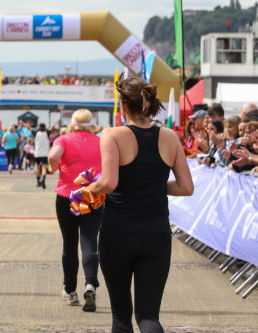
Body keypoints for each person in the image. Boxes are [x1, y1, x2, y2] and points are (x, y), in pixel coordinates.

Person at [87, 77, 193, 333]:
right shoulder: (169, 137)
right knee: (148, 315)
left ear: (123, 105)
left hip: (118, 233)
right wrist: (153, 186)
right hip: (156, 234)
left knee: (121, 316)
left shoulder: (112, 134)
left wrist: (89, 189)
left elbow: (110, 182)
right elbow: (186, 188)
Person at [47, 109, 102, 312]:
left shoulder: (64, 139)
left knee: (69, 243)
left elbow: (53, 155)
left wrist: (54, 167)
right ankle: (90, 284)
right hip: (92, 194)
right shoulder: (100, 141)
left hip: (67, 195)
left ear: (73, 123)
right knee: (89, 241)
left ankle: (70, 290)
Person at [34, 123, 51, 189]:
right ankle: (43, 179)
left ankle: (38, 181)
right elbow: (51, 128)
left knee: (38, 167)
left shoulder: (36, 133)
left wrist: (23, 123)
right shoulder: (47, 133)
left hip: (37, 153)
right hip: (45, 154)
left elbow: (29, 127)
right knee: (44, 167)